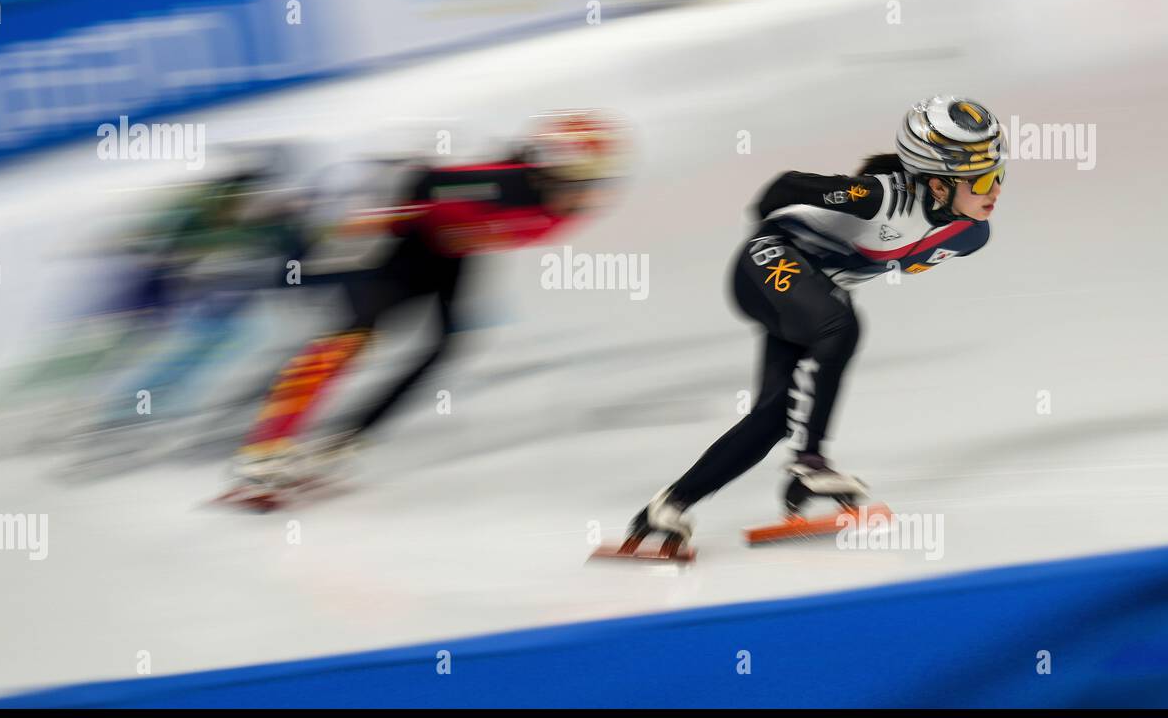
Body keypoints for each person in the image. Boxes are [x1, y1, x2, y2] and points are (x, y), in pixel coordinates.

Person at [622, 95, 1005, 551]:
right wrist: (790, 249)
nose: (995, 190)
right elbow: (779, 190)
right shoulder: (879, 196)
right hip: (767, 264)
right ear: (936, 184)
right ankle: (811, 463)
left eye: (998, 175)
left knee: (773, 418)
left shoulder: (970, 236)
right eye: (981, 180)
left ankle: (667, 507)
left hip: (809, 292)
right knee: (840, 326)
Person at [229, 110, 625, 493]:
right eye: (582, 181)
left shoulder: (556, 202)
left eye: (597, 181)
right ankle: (265, 447)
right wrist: (374, 224)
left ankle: (345, 439)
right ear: (549, 172)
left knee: (443, 346)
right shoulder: (506, 183)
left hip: (452, 251)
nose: (590, 193)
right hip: (408, 247)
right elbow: (419, 182)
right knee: (352, 335)